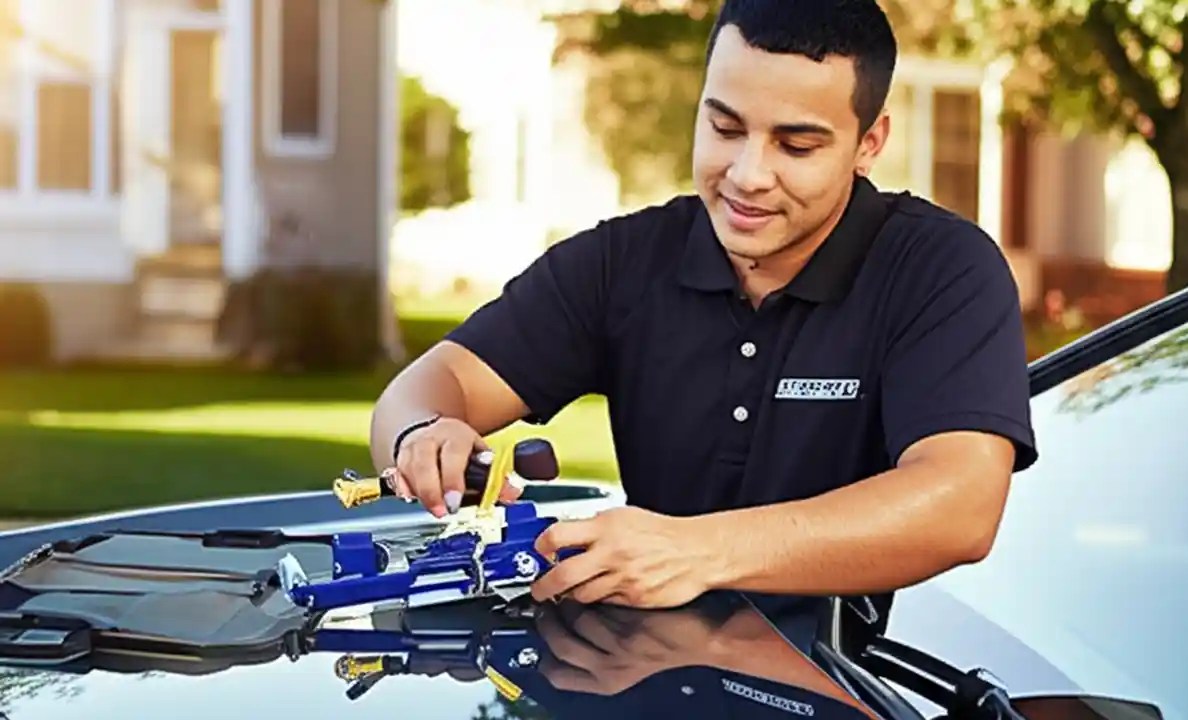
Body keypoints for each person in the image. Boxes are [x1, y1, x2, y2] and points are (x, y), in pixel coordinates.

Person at [369, 0, 1037, 627]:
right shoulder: (623, 262)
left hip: (851, 689)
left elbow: (960, 506)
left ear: (869, 143)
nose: (747, 174)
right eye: (724, 127)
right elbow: (424, 390)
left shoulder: (940, 270)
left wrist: (697, 551)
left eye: (796, 146)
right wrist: (422, 437)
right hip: (634, 682)